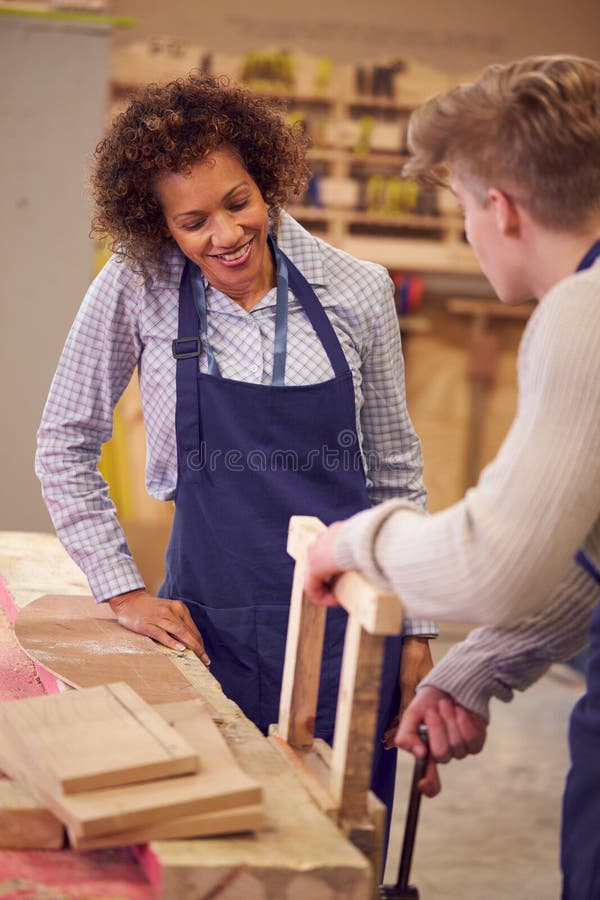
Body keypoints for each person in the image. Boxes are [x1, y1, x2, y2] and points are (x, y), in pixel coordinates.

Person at [35, 73, 436, 834]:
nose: (224, 235)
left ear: (267, 180)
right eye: (192, 222)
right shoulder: (139, 283)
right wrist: (123, 592)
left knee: (335, 850)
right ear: (159, 225)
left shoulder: (357, 291)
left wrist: (413, 628)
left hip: (348, 640)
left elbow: (393, 474)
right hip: (204, 626)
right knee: (212, 843)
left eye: (238, 202)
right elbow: (62, 441)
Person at [304, 55, 600, 899]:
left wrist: (353, 541)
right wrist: (481, 667)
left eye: (463, 206)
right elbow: (588, 551)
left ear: (500, 210)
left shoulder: (583, 313)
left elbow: (489, 564)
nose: (470, 228)